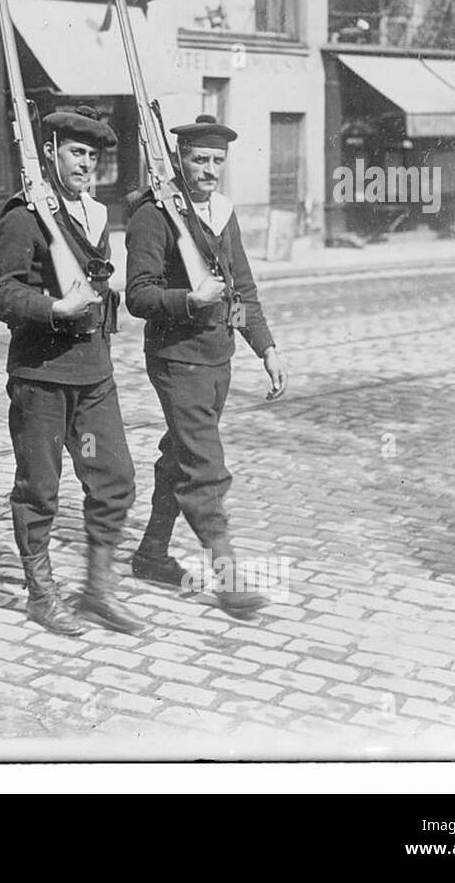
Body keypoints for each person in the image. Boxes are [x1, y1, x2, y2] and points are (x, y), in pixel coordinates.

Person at [124, 114, 288, 619]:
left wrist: (266, 348)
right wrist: (190, 300)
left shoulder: (221, 212)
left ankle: (151, 554)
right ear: (180, 160)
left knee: (181, 454)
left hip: (219, 358)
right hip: (177, 358)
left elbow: (243, 286)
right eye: (199, 159)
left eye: (217, 160)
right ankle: (228, 575)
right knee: (205, 464)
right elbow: (138, 295)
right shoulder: (155, 215)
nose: (209, 168)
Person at [0, 105, 142, 636]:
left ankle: (98, 589)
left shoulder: (93, 214)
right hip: (41, 376)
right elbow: (1, 294)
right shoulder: (22, 216)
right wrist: (54, 309)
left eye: (93, 155)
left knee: (115, 478)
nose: (86, 164)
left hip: (93, 374)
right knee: (39, 487)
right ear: (49, 153)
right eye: (77, 152)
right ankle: (41, 593)